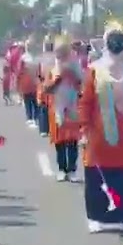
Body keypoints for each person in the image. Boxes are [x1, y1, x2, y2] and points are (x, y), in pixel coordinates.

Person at [79, 27, 123, 234]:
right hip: (100, 137)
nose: (117, 45)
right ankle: (98, 218)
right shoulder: (94, 70)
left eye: (120, 41)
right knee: (98, 178)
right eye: (113, 41)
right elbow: (86, 103)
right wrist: (85, 129)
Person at [44, 36, 83, 182]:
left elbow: (82, 83)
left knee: (72, 140)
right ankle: (62, 169)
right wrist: (56, 80)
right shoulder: (52, 67)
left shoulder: (75, 66)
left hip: (72, 106)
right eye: (58, 52)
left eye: (63, 52)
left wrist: (73, 77)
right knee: (59, 141)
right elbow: (46, 88)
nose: (60, 55)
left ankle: (72, 169)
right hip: (56, 108)